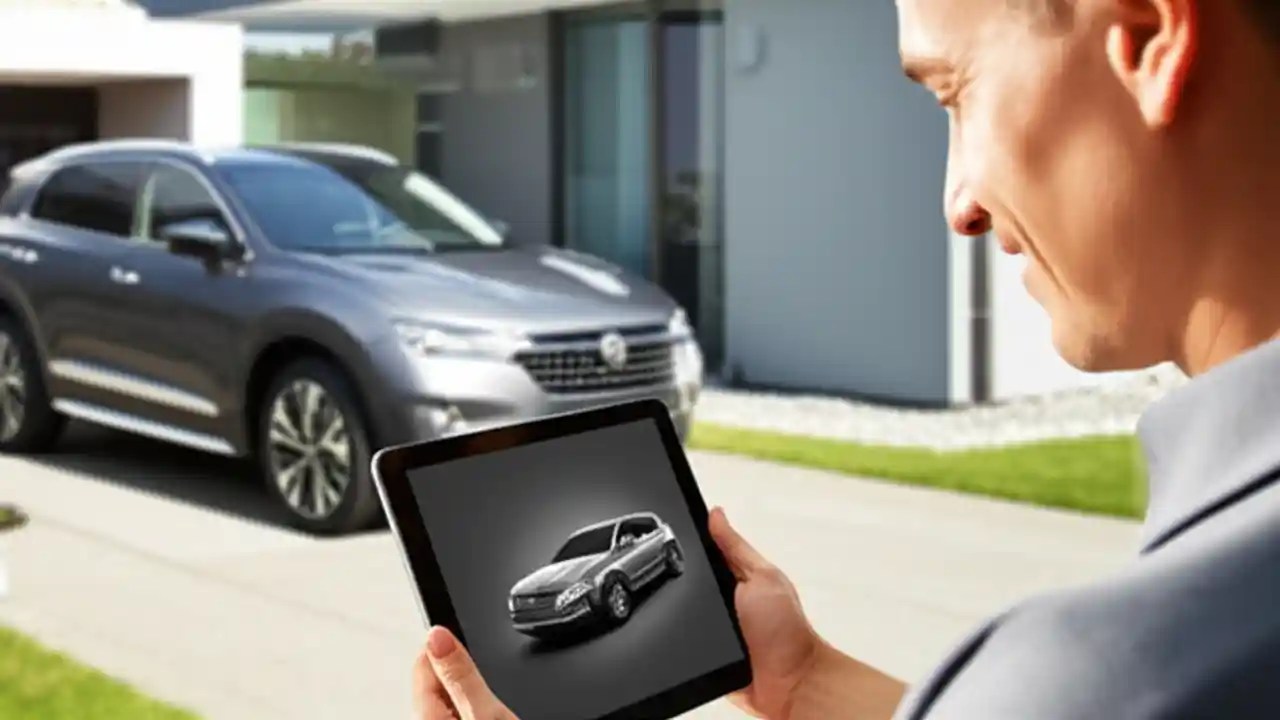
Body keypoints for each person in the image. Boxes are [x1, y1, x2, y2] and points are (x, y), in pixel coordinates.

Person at [411, 0, 1280, 717]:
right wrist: (803, 683)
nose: (959, 204)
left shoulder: (1111, 672)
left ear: (1150, 39)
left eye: (954, 95)